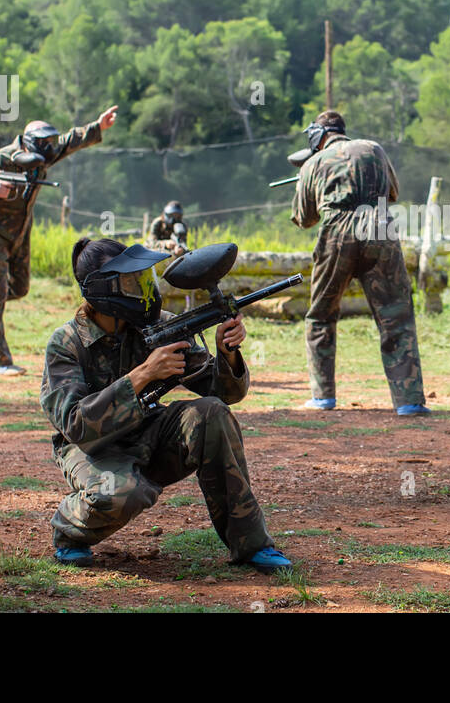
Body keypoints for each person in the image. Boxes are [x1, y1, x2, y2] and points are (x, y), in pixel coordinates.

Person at [39, 237, 290, 573]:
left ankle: (251, 545)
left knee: (212, 413)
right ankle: (69, 530)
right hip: (91, 449)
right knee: (124, 493)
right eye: (131, 282)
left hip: (147, 431)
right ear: (102, 292)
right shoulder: (67, 343)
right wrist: (142, 375)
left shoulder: (159, 326)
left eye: (144, 280)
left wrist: (227, 351)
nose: (143, 290)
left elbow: (223, 392)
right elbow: (75, 426)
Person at [0, 106, 119, 375]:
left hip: (19, 231)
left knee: (19, 288)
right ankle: (0, 361)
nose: (49, 151)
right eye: (45, 146)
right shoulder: (5, 157)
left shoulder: (43, 156)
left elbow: (68, 142)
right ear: (31, 144)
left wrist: (99, 127)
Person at [290, 110, 429, 416]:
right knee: (396, 316)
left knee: (321, 315)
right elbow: (393, 193)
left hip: (337, 232)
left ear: (317, 135)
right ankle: (409, 402)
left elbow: (304, 219)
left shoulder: (312, 164)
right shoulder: (373, 148)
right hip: (380, 227)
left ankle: (323, 397)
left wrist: (309, 182)